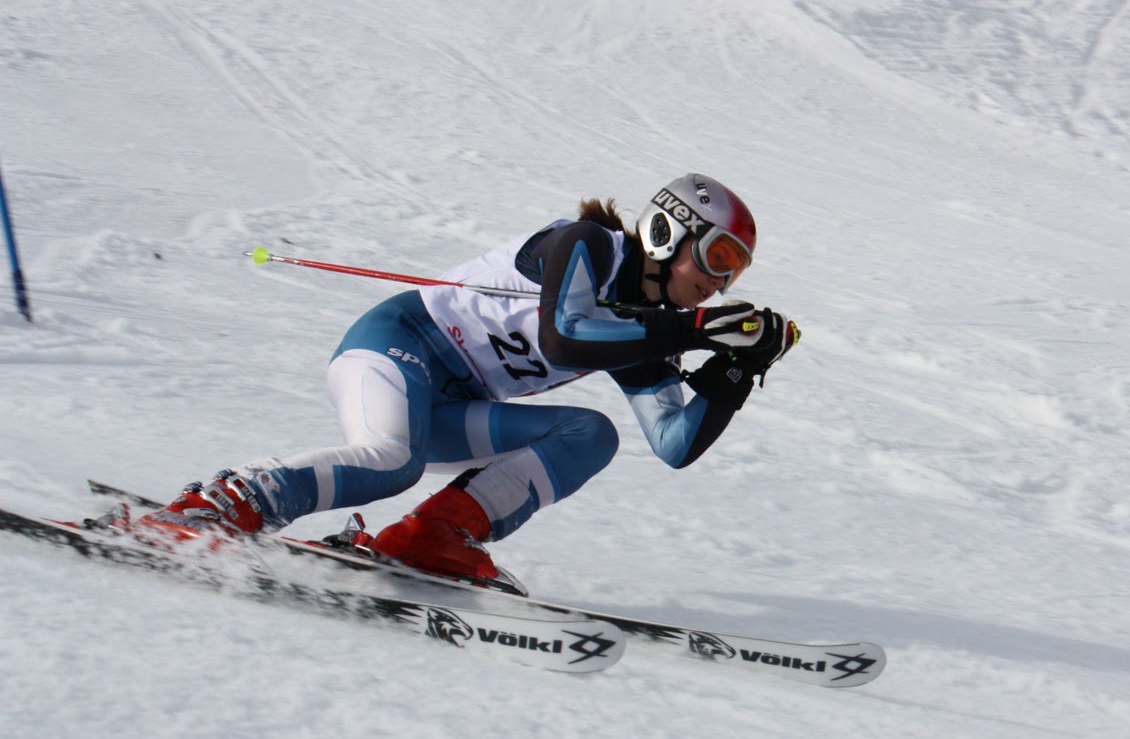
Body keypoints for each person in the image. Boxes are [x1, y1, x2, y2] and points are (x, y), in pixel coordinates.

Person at [131, 173, 799, 584]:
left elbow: (674, 443)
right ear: (667, 231)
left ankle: (430, 537)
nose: (719, 281)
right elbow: (562, 334)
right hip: (397, 345)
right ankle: (222, 504)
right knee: (391, 460)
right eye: (716, 256)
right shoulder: (590, 245)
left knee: (591, 434)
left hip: (453, 405)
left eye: (734, 271)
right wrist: (696, 331)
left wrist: (738, 367)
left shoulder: (651, 332)